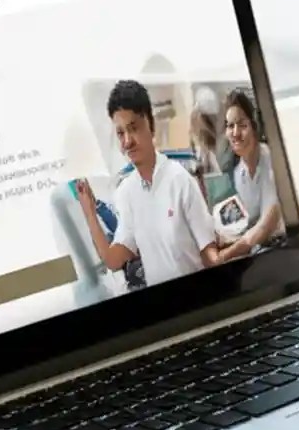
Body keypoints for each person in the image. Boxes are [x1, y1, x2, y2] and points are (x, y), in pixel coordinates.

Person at [75, 79, 222, 287]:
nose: (127, 141)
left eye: (133, 128)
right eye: (120, 133)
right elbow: (113, 260)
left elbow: (209, 254)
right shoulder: (126, 192)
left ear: (150, 126)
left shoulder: (180, 180)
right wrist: (90, 213)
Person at [218, 89, 285, 262]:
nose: (235, 133)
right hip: (258, 248)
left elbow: (265, 227)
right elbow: (248, 225)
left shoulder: (270, 159)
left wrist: (224, 255)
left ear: (255, 126)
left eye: (242, 125)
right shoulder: (239, 172)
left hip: (281, 247)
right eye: (230, 126)